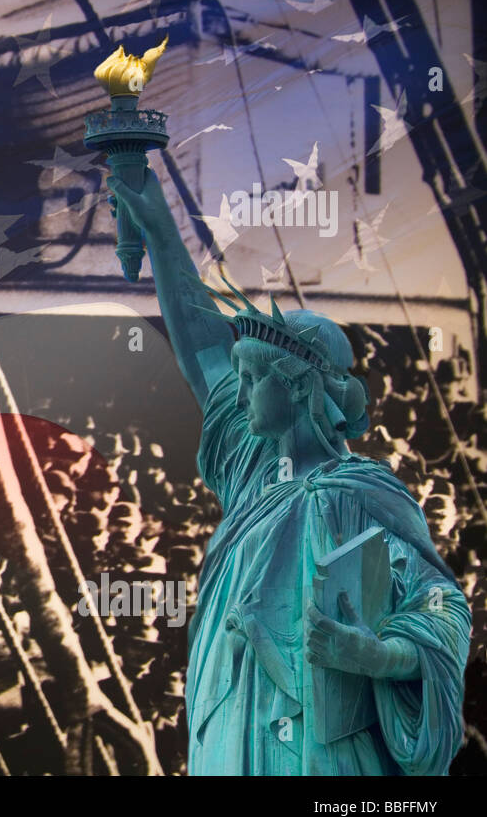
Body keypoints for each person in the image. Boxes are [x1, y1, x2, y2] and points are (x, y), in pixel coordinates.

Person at [109, 168, 471, 775]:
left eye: (252, 378)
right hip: (232, 724)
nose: (237, 389)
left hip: (320, 744)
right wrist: (161, 236)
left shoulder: (364, 494)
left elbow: (443, 606)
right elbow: (201, 346)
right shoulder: (254, 475)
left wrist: (376, 655)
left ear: (299, 386)